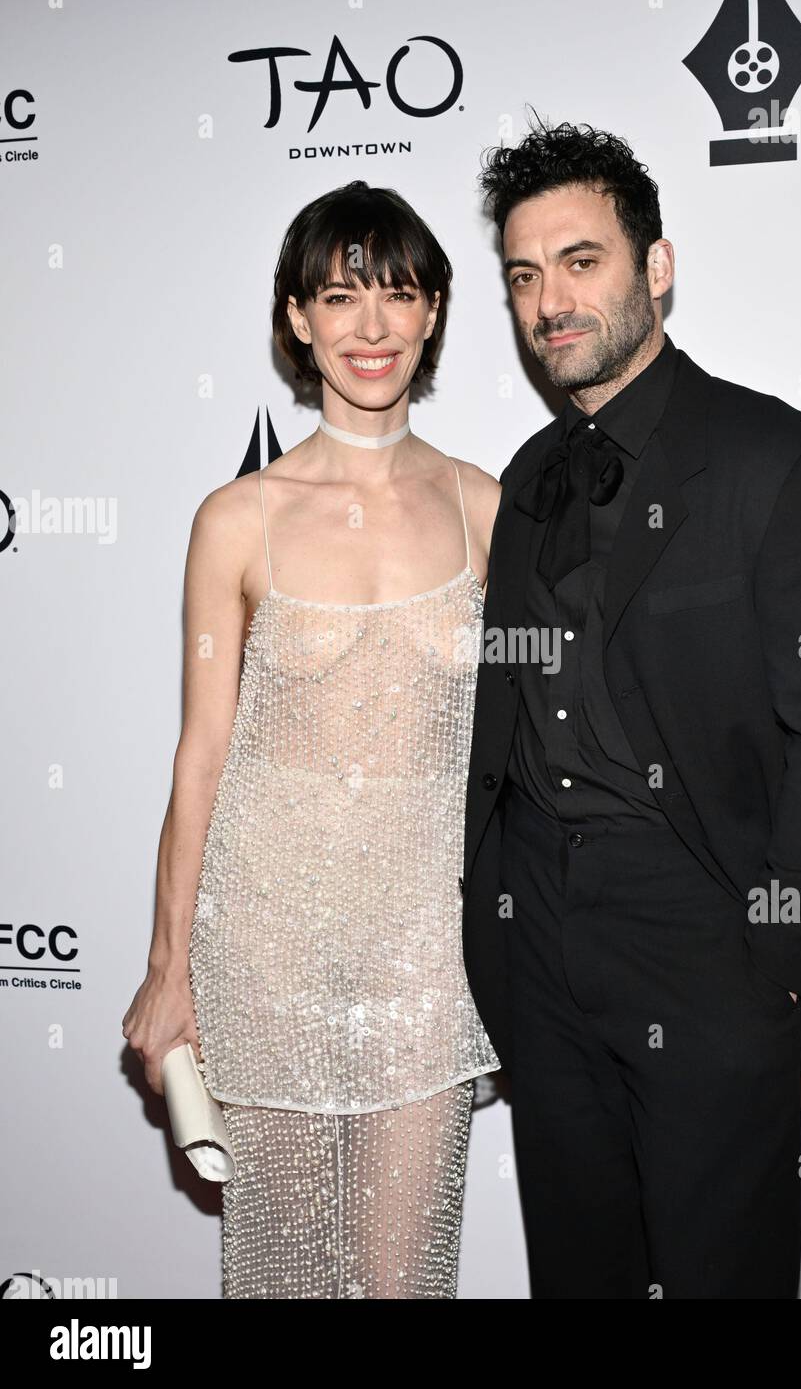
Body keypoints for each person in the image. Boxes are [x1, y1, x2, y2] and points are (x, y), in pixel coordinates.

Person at [461, 118, 801, 1298]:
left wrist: (775, 968)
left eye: (582, 260)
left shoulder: (784, 463)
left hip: (704, 937)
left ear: (656, 268)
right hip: (541, 936)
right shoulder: (528, 480)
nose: (550, 299)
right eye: (524, 274)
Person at [122, 180, 501, 1299]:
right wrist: (167, 966)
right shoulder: (237, 517)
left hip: (429, 956)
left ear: (434, 310)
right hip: (267, 952)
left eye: (397, 294)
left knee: (403, 1283)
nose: (370, 327)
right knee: (281, 1281)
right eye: (340, 296)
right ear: (297, 318)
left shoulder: (490, 507)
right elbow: (201, 756)